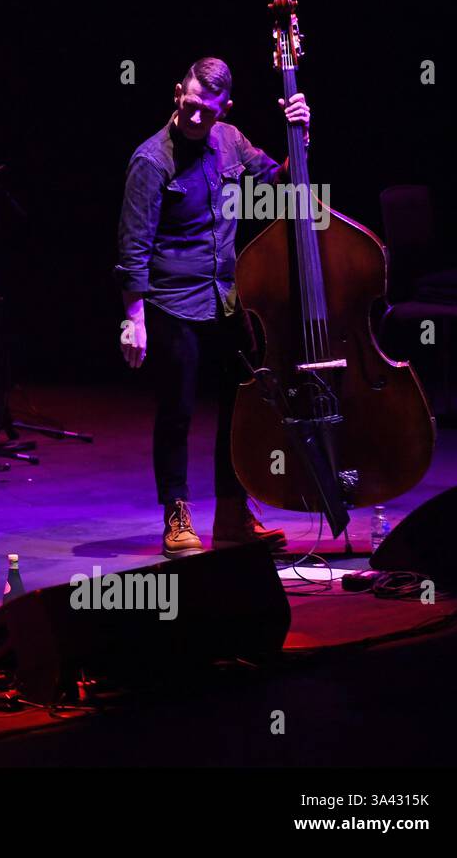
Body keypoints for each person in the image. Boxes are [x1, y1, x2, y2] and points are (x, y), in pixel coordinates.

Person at [115, 57, 310, 558]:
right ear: (178, 92)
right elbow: (132, 246)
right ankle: (176, 513)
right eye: (192, 104)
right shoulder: (151, 159)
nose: (198, 117)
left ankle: (232, 512)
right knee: (177, 410)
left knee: (242, 406)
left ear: (225, 109)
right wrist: (134, 319)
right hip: (173, 302)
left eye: (209, 110)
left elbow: (279, 185)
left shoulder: (229, 140)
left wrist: (299, 136)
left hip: (226, 299)